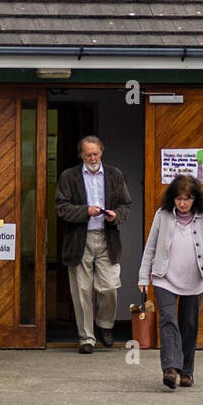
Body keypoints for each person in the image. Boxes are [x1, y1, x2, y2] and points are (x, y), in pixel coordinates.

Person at [137, 174, 203, 389]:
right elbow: (151, 246)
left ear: (195, 199)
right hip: (164, 277)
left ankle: (186, 371)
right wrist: (143, 276)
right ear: (172, 199)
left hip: (194, 280)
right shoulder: (162, 214)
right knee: (168, 320)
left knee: (190, 325)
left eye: (187, 199)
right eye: (178, 199)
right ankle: (170, 369)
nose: (182, 203)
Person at [55, 136, 132, 353]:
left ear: (102, 152)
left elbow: (126, 204)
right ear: (81, 155)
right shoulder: (69, 176)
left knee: (109, 287)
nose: (92, 158)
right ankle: (86, 338)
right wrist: (84, 211)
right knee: (82, 291)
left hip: (107, 238)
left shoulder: (114, 175)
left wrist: (115, 215)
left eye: (95, 154)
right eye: (88, 154)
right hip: (80, 239)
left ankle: (105, 324)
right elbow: (61, 207)